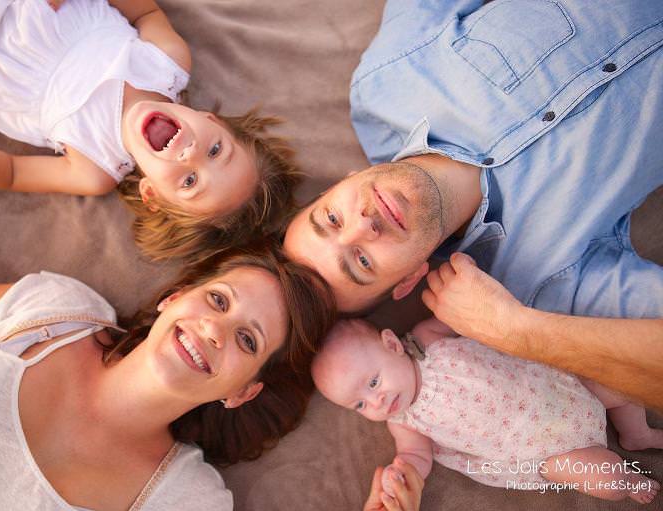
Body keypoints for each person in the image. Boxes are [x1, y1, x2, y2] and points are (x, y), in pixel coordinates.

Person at [0, 142, 336, 510]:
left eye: (247, 340)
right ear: (174, 298)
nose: (214, 330)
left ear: (242, 392)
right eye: (218, 300)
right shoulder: (56, 311)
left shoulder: (186, 500)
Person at [283, 0, 663, 408]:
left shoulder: (386, 82)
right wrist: (515, 331)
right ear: (409, 280)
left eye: (332, 218)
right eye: (362, 261)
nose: (363, 225)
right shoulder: (541, 285)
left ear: (341, 182)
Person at [0, 0, 299, 262]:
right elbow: (145, 13)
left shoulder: (96, 168)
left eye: (190, 181)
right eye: (215, 151)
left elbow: (10, 172)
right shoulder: (169, 63)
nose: (189, 153)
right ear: (213, 121)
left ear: (152, 195)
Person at [313, 318, 662, 506]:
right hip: (540, 453)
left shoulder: (427, 338)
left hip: (560, 387)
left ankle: (637, 433)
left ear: (391, 345)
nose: (375, 402)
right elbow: (415, 456)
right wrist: (404, 473)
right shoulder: (405, 422)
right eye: (359, 404)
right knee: (605, 479)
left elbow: (467, 317)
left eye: (373, 383)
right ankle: (628, 480)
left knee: (624, 382)